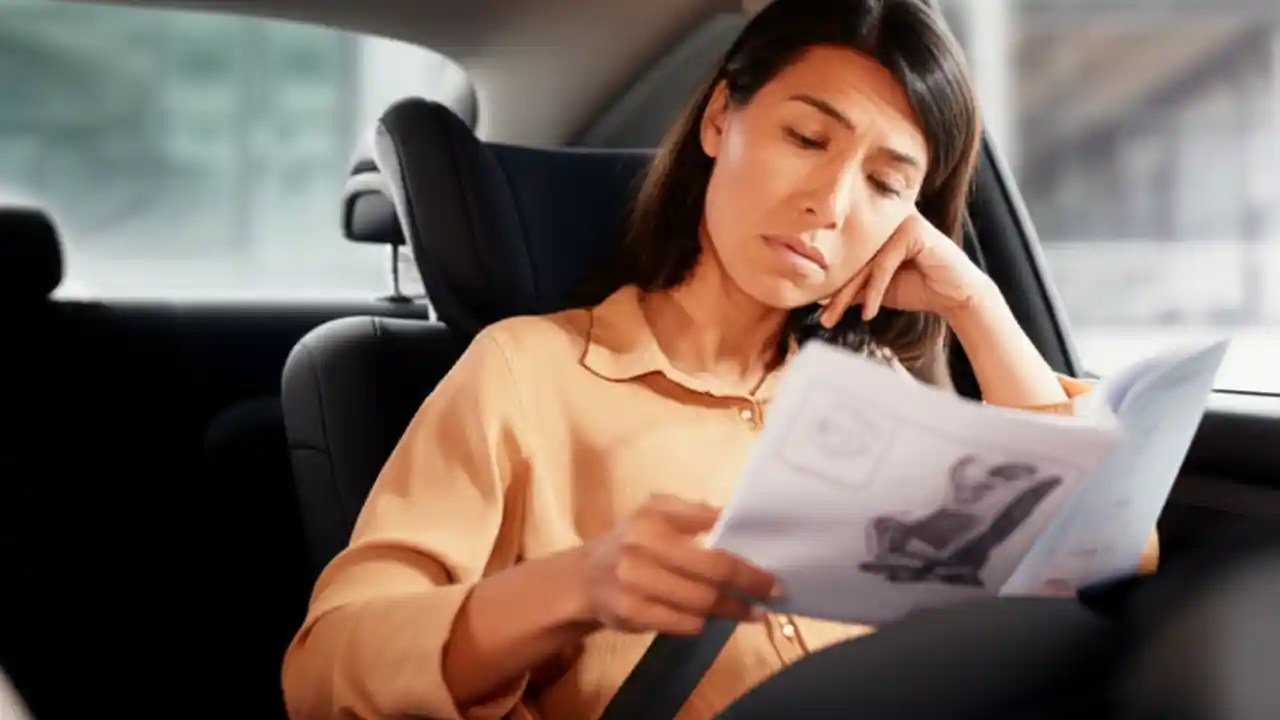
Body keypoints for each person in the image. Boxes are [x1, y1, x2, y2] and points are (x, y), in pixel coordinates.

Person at [281, 1, 1158, 718]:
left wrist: (978, 305)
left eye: (887, 184)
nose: (829, 201)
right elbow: (327, 670)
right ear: (718, 119)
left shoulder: (877, 396)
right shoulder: (525, 374)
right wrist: (575, 587)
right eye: (807, 139)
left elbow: (1105, 552)